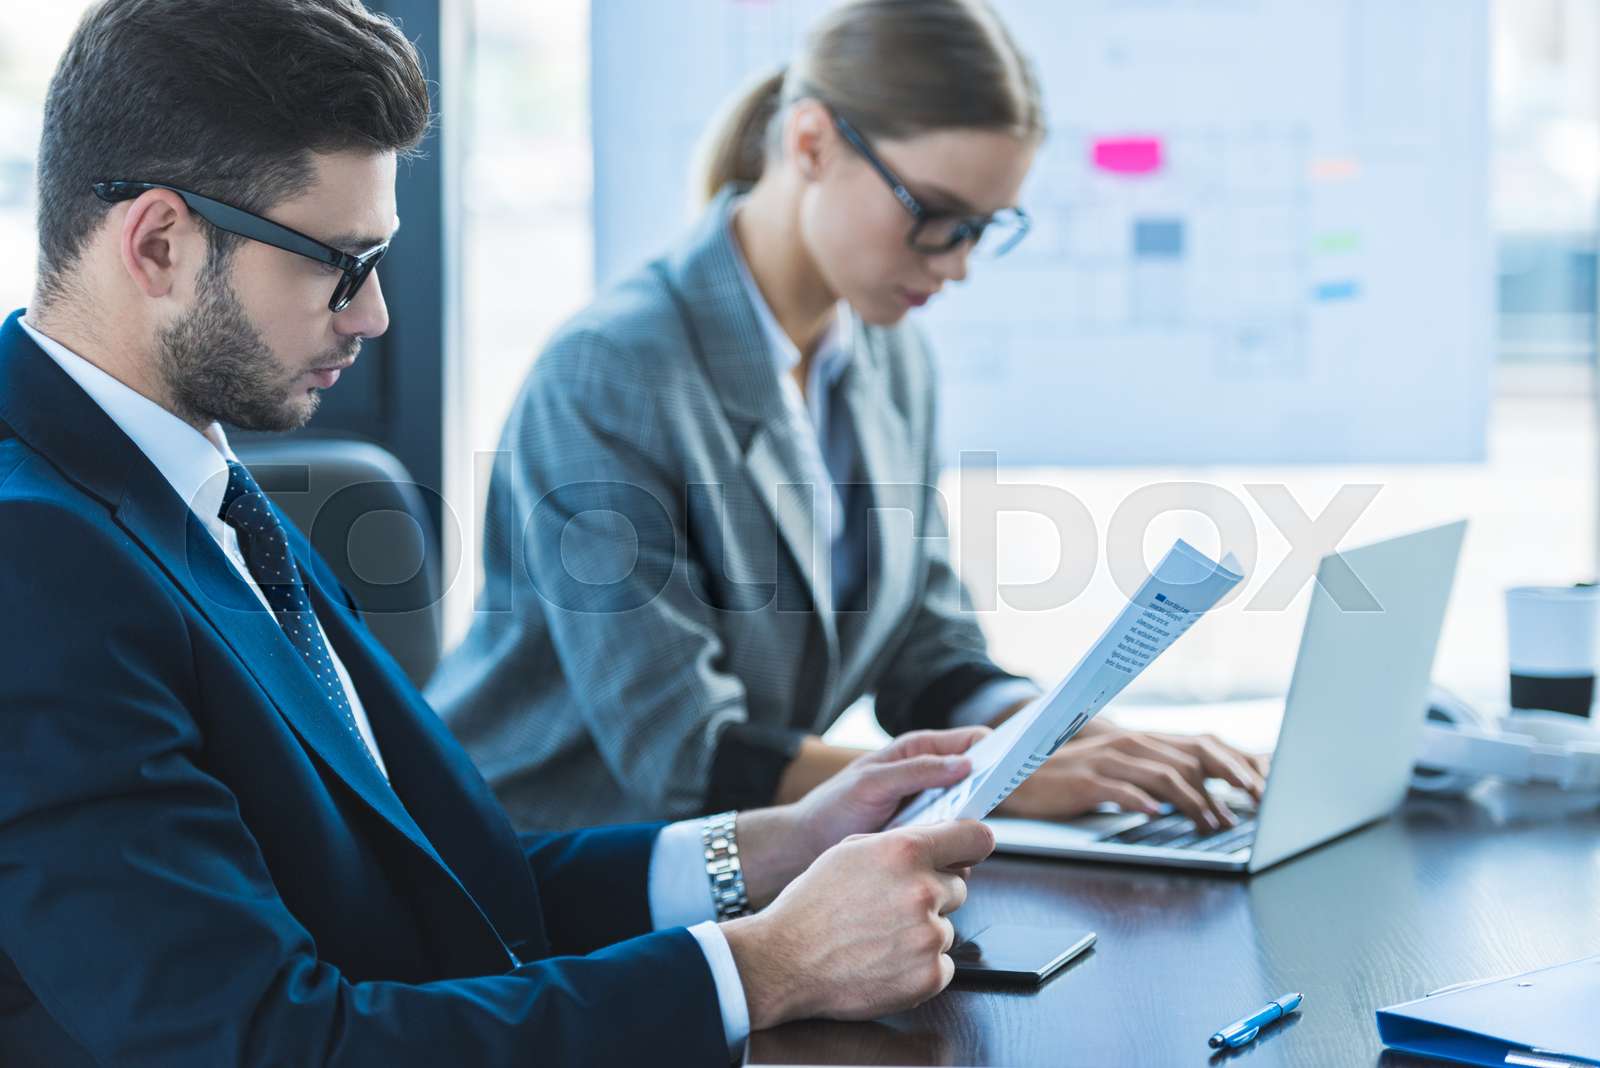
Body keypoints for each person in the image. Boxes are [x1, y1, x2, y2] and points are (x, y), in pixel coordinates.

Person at [0, 2, 1002, 1063]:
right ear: (158, 243)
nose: (374, 312)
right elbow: (260, 1043)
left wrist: (770, 850)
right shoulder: (35, 561)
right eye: (337, 262)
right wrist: (768, 966)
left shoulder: (185, 478)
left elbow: (445, 891)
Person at [428, 0, 1268, 835]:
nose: (960, 265)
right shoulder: (612, 373)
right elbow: (688, 756)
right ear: (811, 143)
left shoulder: (889, 355)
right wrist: (996, 771)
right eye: (934, 216)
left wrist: (1075, 738)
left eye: (982, 228)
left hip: (737, 859)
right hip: (538, 878)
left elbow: (927, 657)